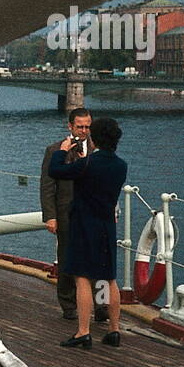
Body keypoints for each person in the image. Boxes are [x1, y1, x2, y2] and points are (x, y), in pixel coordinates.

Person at [49, 116, 127, 349]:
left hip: (84, 224)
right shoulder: (121, 165)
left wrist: (62, 151)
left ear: (95, 138)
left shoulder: (87, 164)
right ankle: (114, 330)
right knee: (109, 278)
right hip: (106, 225)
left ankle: (83, 331)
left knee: (82, 276)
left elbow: (56, 171)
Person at [40, 108, 107, 322]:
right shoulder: (54, 151)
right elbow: (47, 186)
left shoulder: (100, 150)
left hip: (94, 214)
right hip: (67, 213)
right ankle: (68, 305)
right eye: (80, 126)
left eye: (88, 126)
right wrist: (50, 216)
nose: (84, 131)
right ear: (70, 126)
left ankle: (101, 305)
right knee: (67, 260)